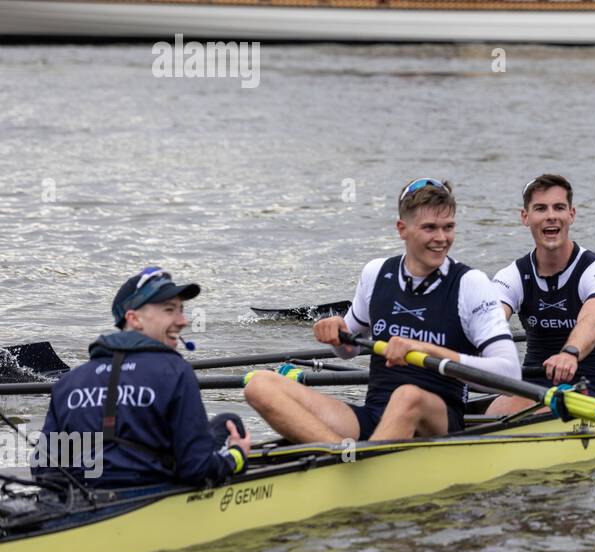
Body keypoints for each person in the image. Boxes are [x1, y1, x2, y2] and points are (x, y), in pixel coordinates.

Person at [244, 179, 520, 441]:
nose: (442, 238)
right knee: (259, 384)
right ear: (402, 229)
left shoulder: (470, 284)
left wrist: (428, 351)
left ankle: (359, 469)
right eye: (430, 228)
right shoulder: (376, 273)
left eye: (448, 227)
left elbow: (509, 375)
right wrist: (335, 331)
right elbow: (347, 350)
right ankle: (343, 458)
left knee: (408, 396)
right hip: (376, 415)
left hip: (438, 421)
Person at [33, 268, 251, 489]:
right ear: (134, 318)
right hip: (149, 500)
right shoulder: (175, 371)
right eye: (170, 310)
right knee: (230, 422)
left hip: (79, 505)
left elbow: (42, 469)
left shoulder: (68, 383)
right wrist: (236, 456)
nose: (183, 321)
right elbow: (197, 469)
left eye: (181, 310)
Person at [489, 174, 595, 414]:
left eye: (559, 207)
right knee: (494, 413)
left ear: (571, 214)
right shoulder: (512, 275)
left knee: (539, 417)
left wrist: (570, 353)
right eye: (540, 208)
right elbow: (489, 320)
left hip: (590, 384)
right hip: (534, 382)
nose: (551, 215)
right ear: (525, 217)